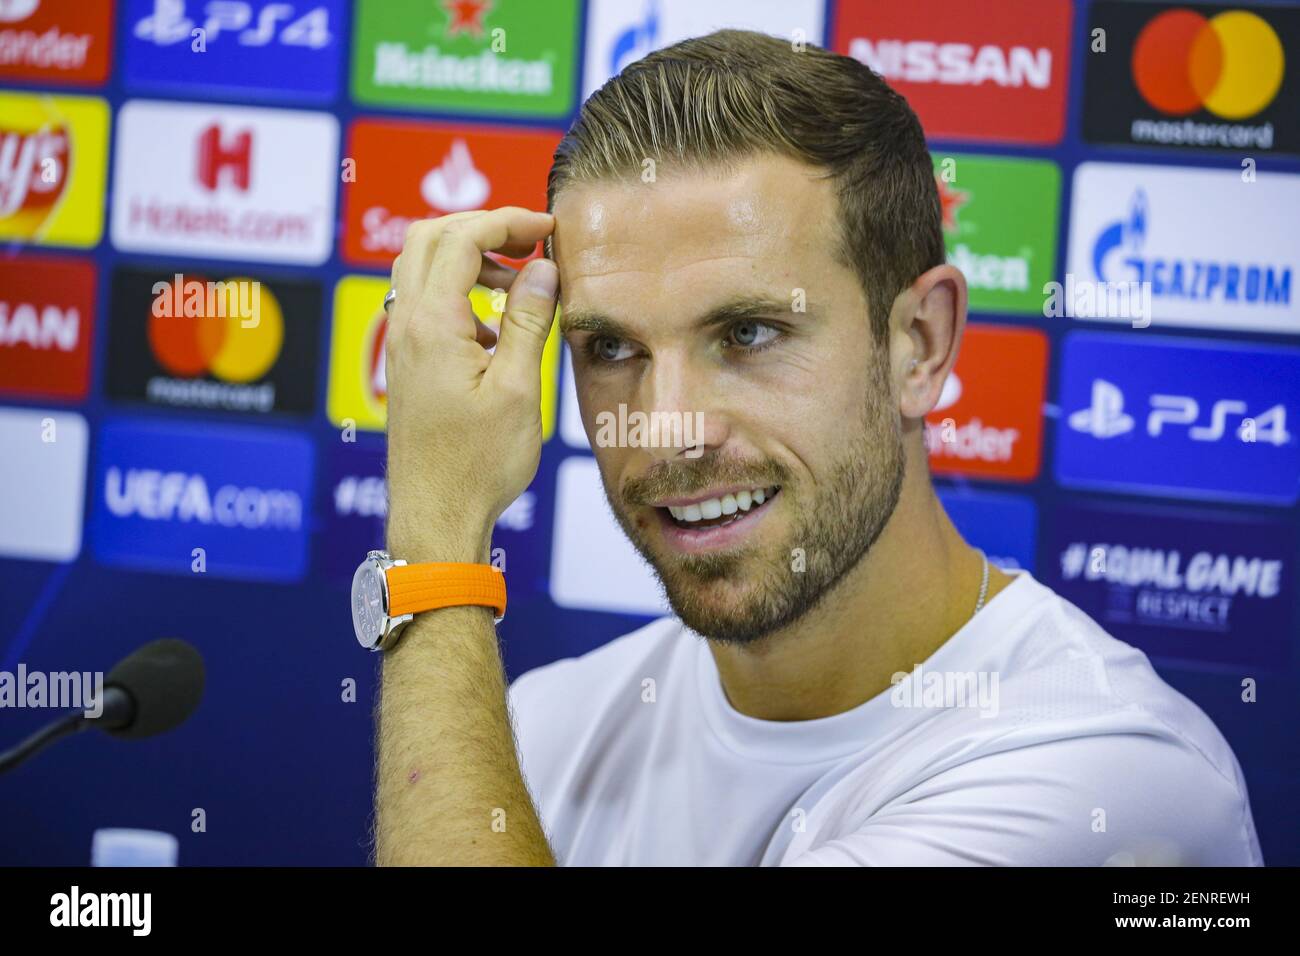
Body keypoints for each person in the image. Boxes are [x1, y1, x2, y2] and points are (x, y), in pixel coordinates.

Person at [370, 30, 1262, 866]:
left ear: (920, 344)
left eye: (749, 334)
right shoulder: (538, 731)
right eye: (612, 348)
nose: (668, 427)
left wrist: (438, 547)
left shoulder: (1116, 773)